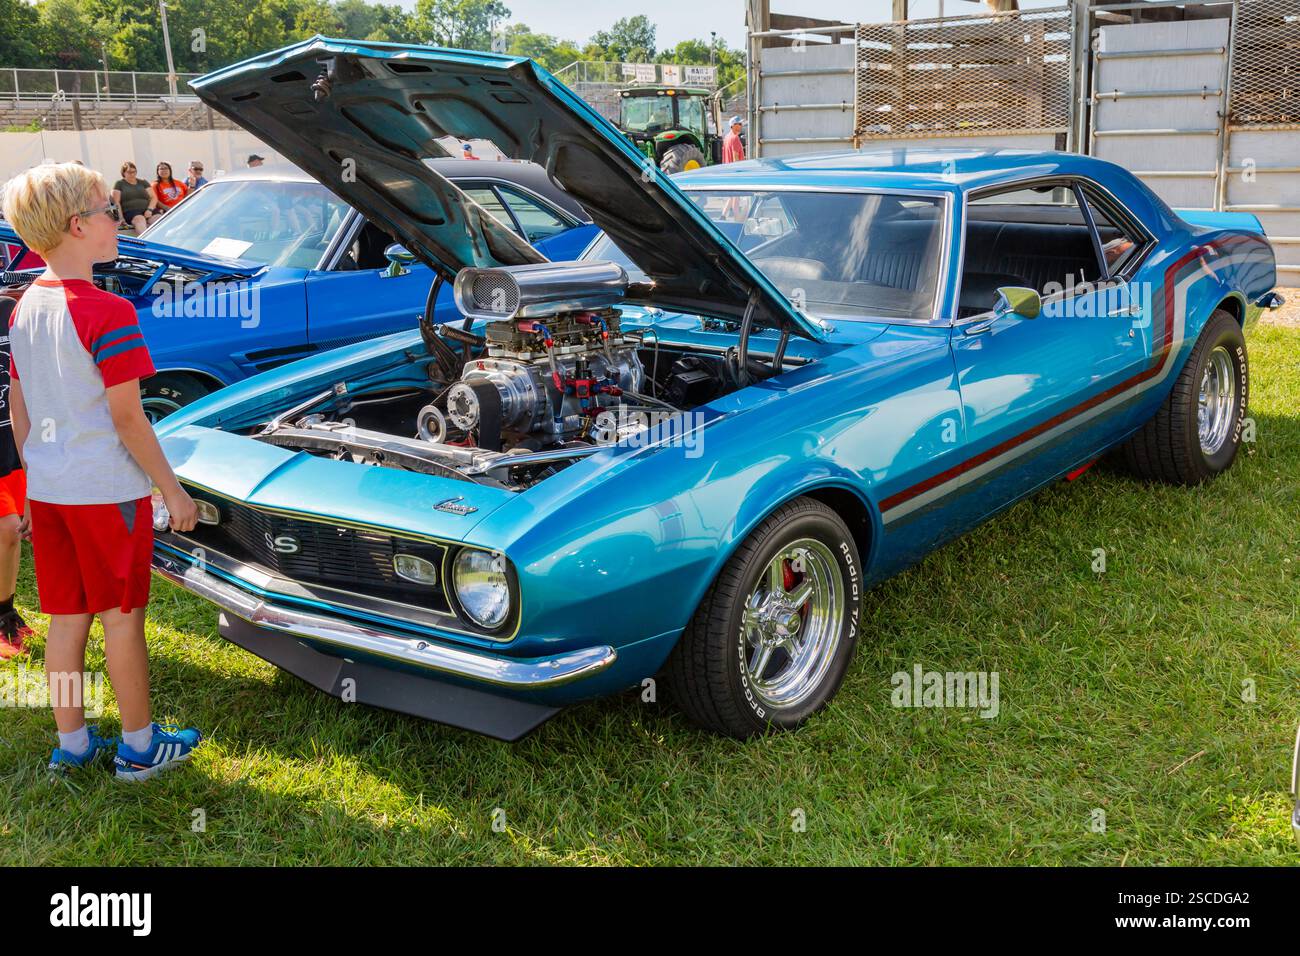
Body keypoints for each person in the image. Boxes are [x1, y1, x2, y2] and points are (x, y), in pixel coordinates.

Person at [1, 161, 202, 779]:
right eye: (106, 210)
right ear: (75, 225)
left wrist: (32, 484)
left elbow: (19, 406)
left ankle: (73, 744)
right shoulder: (109, 312)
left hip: (53, 488)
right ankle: (140, 748)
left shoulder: (23, 305)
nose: (117, 220)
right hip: (108, 491)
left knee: (67, 618)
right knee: (122, 619)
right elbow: (129, 419)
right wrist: (172, 490)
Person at [0, 297, 32, 659]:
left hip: (15, 441)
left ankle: (6, 611)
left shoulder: (12, 311)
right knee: (7, 530)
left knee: (15, 530)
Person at [111, 162, 153, 236]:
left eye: (134, 172)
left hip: (148, 210)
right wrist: (121, 218)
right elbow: (116, 202)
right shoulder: (119, 184)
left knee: (158, 219)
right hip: (131, 212)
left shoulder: (143, 182)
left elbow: (153, 197)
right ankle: (148, 241)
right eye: (129, 172)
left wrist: (150, 209)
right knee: (140, 220)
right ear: (123, 173)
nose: (132, 174)